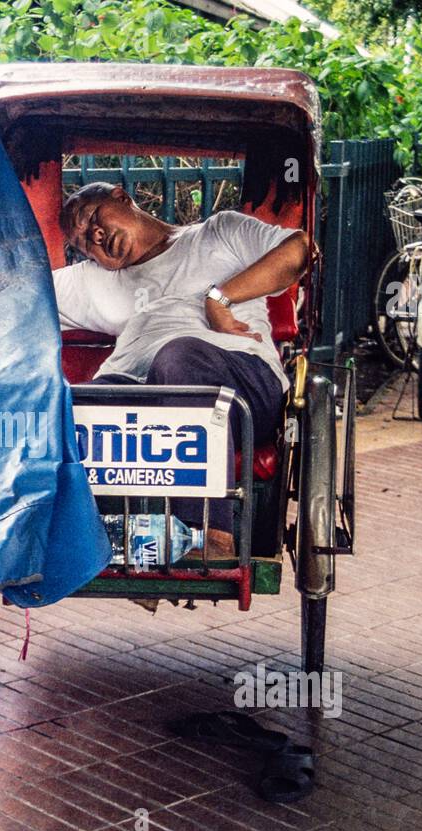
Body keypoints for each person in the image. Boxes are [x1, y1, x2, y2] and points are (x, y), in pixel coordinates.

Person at [52, 182, 310, 554]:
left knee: (178, 358)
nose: (95, 235)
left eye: (93, 217)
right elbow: (15, 296)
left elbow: (299, 249)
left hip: (239, 383)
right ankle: (115, 548)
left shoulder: (219, 232)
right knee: (86, 401)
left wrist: (220, 298)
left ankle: (209, 534)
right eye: (84, 244)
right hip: (143, 390)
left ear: (123, 198)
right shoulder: (93, 280)